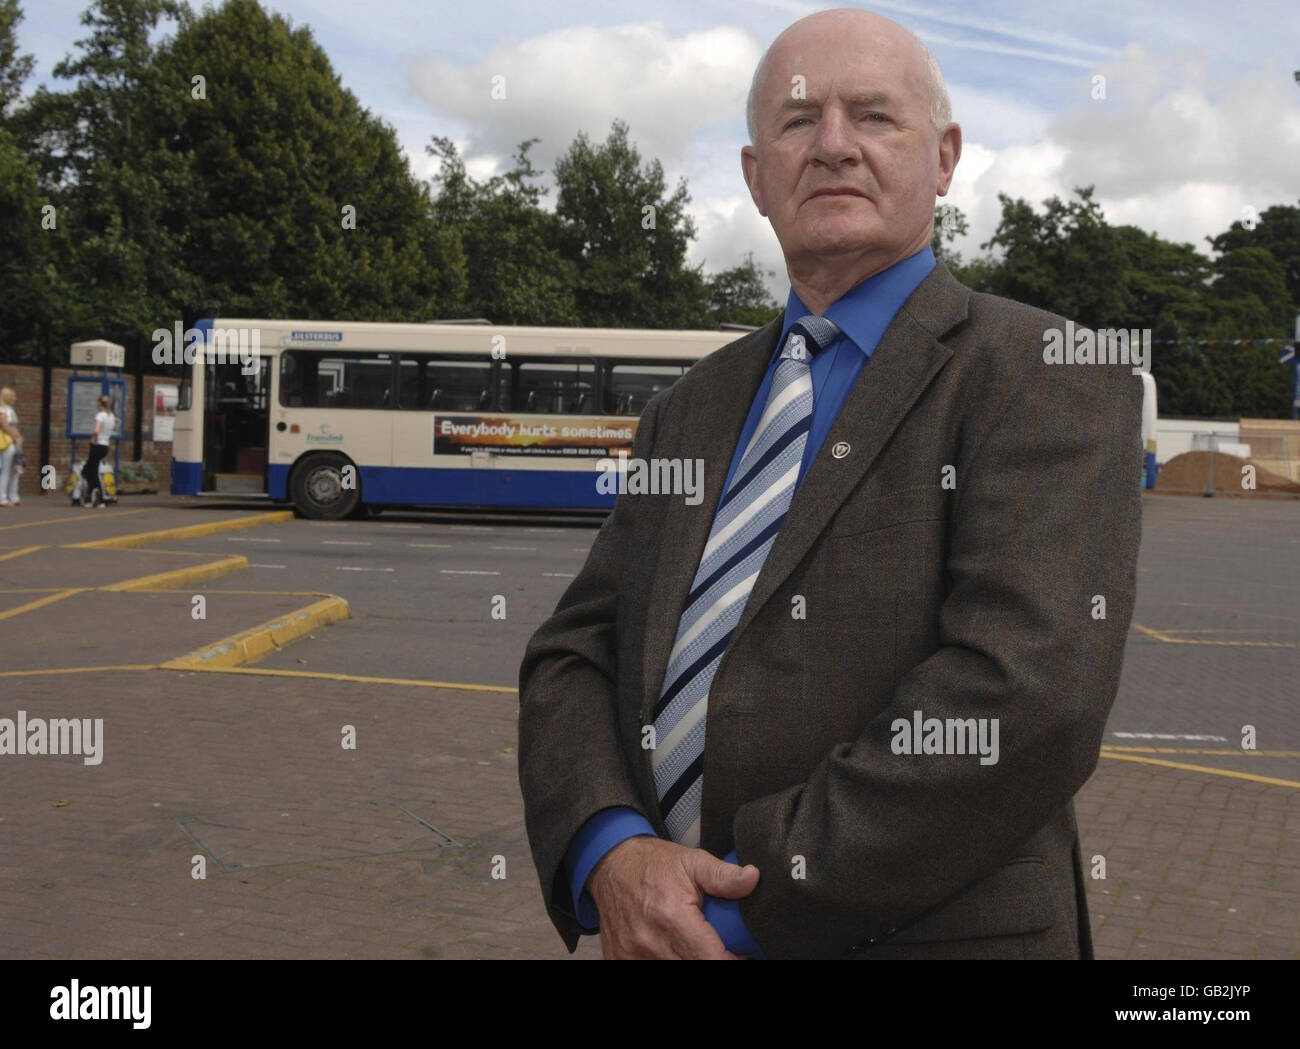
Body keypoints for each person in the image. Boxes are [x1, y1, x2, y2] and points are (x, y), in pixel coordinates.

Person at [517, 7, 1143, 960]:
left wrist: (726, 914)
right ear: (755, 175)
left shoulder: (1047, 370)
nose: (835, 145)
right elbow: (577, 650)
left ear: (944, 159)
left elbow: (1024, 702)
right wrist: (611, 849)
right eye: (799, 120)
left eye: (875, 117)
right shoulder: (688, 407)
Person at [82, 394, 116, 509]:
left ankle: (100, 499)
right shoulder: (111, 416)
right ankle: (90, 499)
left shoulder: (100, 415)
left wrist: (95, 441)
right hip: (105, 446)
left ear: (100, 404)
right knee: (90, 471)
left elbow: (96, 430)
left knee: (88, 472)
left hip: (97, 446)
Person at [0, 387, 21, 508]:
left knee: (15, 470)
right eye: (13, 396)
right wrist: (15, 436)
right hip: (8, 442)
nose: (15, 399)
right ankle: (2, 498)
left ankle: (13, 496)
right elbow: (5, 426)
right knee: (6, 470)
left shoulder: (9, 409)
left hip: (13, 442)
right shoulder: (3, 410)